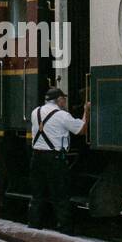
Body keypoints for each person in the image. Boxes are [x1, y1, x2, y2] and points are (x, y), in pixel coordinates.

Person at [27, 86, 90, 233]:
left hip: (36, 157)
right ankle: (65, 228)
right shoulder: (62, 115)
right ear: (59, 100)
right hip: (54, 159)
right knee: (60, 195)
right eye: (64, 99)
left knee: (37, 195)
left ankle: (33, 225)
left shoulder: (34, 112)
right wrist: (86, 111)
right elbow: (81, 130)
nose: (65, 102)